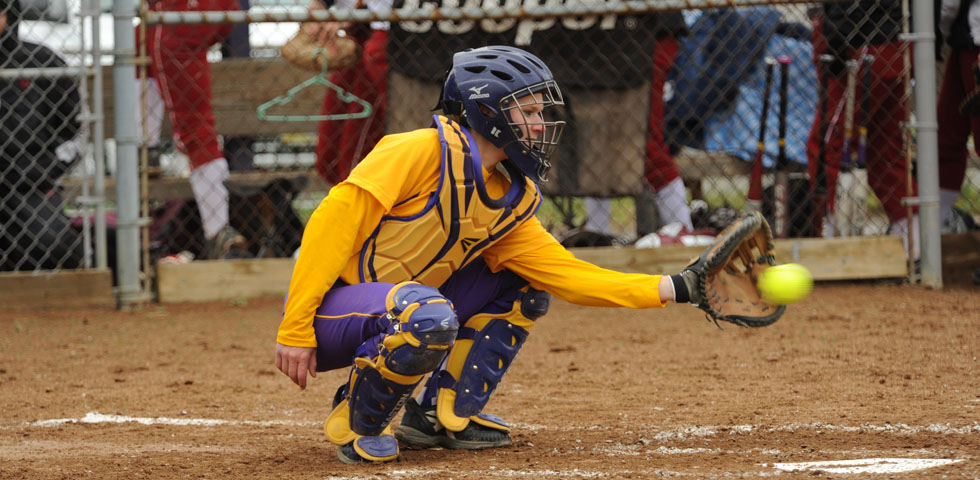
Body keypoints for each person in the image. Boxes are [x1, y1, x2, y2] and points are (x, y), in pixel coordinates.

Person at [274, 45, 773, 464]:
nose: (540, 125)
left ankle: (441, 415)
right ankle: (357, 423)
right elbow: (327, 225)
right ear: (488, 111)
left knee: (523, 283)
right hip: (330, 315)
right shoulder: (418, 151)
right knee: (428, 313)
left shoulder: (512, 195)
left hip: (400, 308)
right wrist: (296, 328)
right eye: (529, 112)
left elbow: (570, 275)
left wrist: (680, 287)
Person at [807, 1, 919, 255]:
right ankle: (915, 245)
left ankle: (833, 244)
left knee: (826, 144)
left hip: (861, 42)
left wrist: (835, 42)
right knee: (885, 148)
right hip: (896, 39)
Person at [147, 0, 247, 259]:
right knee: (140, 40)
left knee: (195, 127)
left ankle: (218, 231)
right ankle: (146, 148)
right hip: (210, 10)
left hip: (181, 13)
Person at [583, 12, 694, 240]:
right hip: (597, 37)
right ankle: (596, 239)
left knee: (647, 145)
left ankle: (685, 237)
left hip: (648, 32)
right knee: (594, 140)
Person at [0, 0, 85, 271]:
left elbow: (77, 127)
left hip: (28, 185)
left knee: (54, 246)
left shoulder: (40, 60)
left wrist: (43, 169)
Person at [306, 0, 389, 185]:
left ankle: (358, 205)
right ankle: (347, 203)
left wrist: (357, 14)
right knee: (328, 155)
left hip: (381, 33)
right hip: (353, 36)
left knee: (355, 155)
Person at [937, 0, 980, 231]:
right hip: (966, 40)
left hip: (974, 39)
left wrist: (934, 29)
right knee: (946, 135)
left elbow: (948, 6)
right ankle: (935, 228)